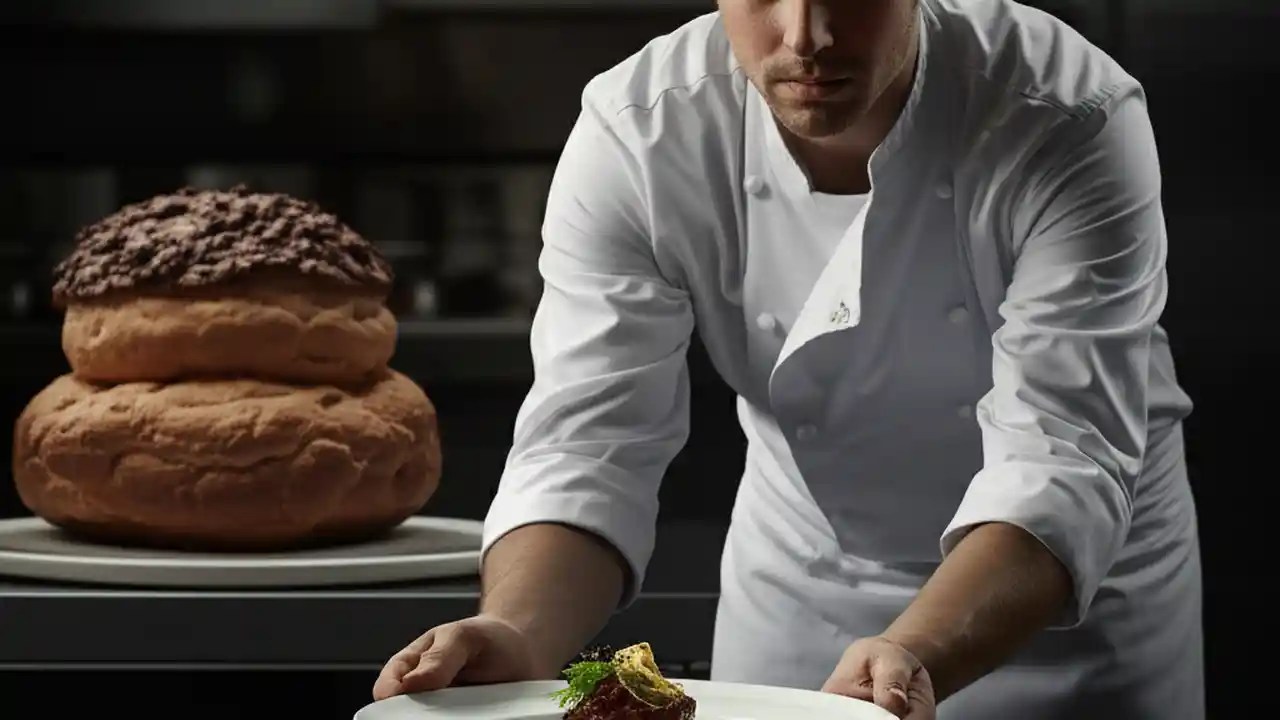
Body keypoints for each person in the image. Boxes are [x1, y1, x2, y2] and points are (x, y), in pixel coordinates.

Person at [373, 0, 1204, 717]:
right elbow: (587, 445)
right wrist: (518, 633)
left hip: (1064, 601)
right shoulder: (643, 130)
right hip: (804, 586)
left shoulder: (1065, 111)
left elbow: (1062, 457)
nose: (806, 36)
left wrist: (916, 648)